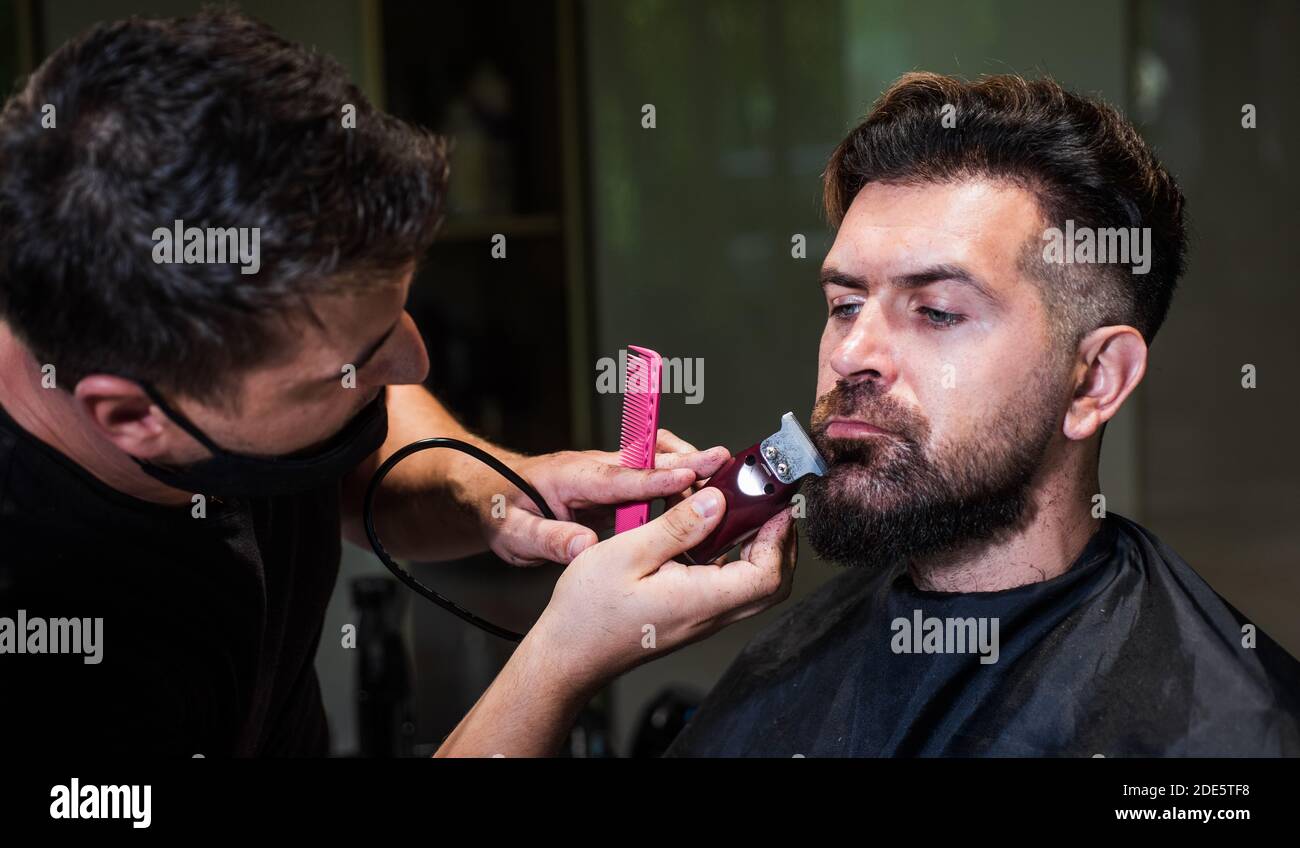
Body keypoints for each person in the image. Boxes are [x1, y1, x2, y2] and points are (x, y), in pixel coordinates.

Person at [0, 10, 794, 756]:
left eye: (394, 319)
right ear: (133, 416)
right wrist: (560, 664)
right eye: (357, 360)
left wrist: (486, 490)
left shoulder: (212, 364)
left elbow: (358, 439)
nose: (413, 364)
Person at [444, 73, 1300, 757]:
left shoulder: (1222, 728)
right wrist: (556, 661)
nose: (851, 354)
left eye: (936, 312)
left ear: (1095, 382)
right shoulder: (808, 653)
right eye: (846, 303)